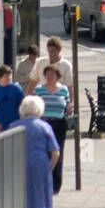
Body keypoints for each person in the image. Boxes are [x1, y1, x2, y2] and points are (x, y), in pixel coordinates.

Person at [13, 96, 59, 208]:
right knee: (37, 201)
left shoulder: (14, 126)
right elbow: (55, 153)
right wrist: (49, 169)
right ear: (39, 110)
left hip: (18, 164)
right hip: (39, 165)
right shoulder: (44, 126)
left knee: (18, 199)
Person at [33, 63, 72, 195]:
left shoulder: (63, 90)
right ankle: (45, 182)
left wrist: (69, 108)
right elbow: (34, 106)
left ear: (57, 76)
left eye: (52, 74)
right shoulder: (39, 89)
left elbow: (67, 105)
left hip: (59, 124)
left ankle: (56, 185)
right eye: (48, 74)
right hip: (43, 124)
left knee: (57, 153)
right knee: (45, 154)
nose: (50, 77)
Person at [0, 64, 24, 133]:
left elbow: (23, 105)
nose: (9, 78)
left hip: (16, 124)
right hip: (2, 126)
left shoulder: (17, 89)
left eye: (10, 76)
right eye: (6, 76)